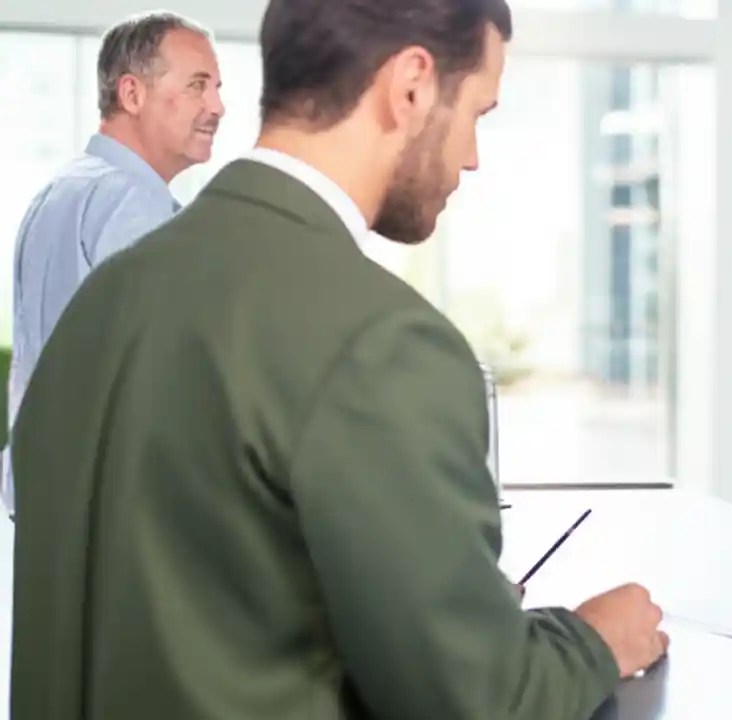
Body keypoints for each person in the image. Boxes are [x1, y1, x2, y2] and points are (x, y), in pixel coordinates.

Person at [10, 1, 666, 718]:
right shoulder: (383, 343)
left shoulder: (104, 299)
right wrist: (592, 641)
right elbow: (479, 701)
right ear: (411, 85)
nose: (473, 155)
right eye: (478, 112)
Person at [4, 11, 224, 515]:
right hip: (113, 508)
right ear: (131, 94)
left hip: (49, 500)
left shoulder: (62, 190)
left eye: (216, 87)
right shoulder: (129, 202)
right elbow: (170, 370)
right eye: (197, 85)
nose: (217, 105)